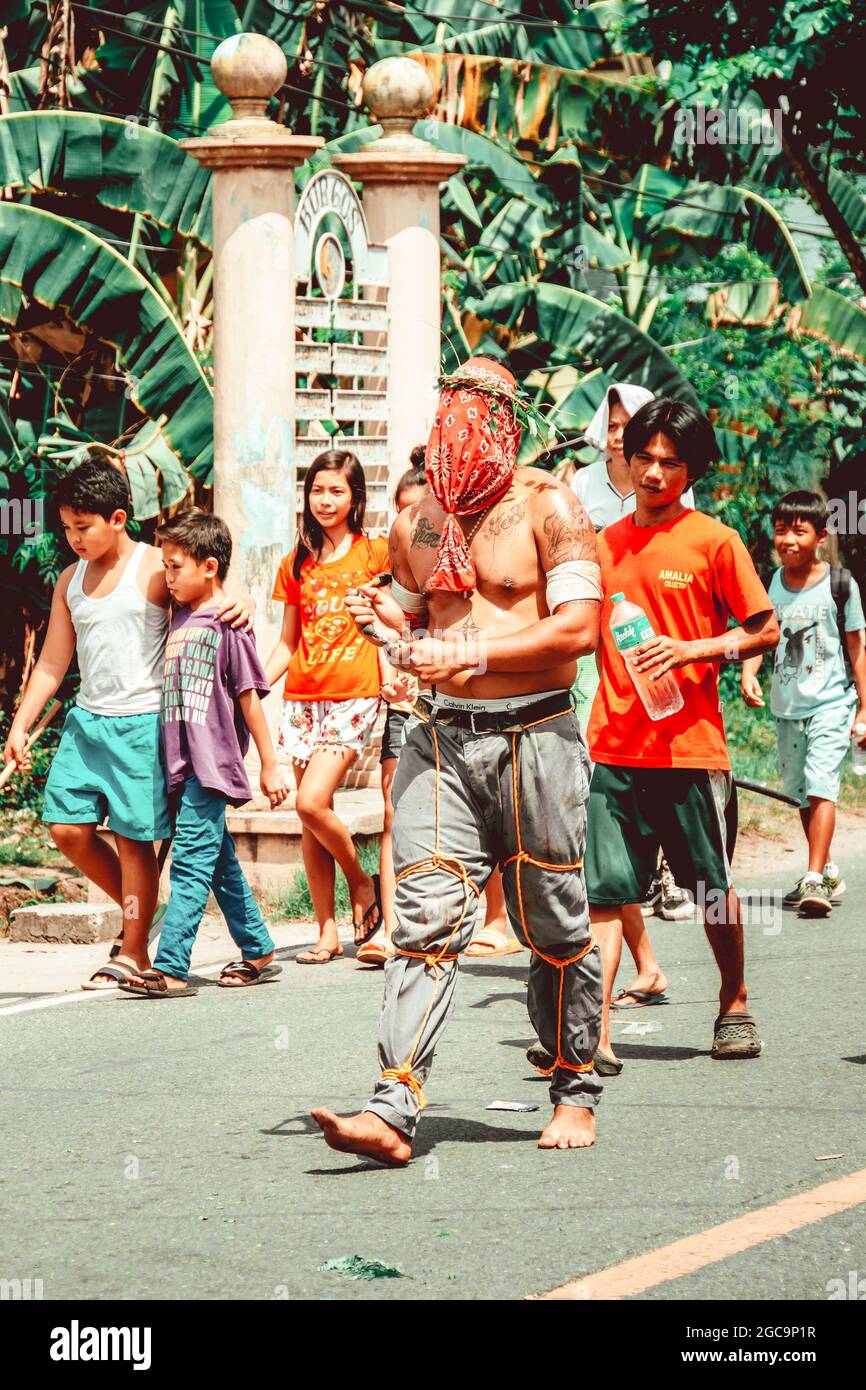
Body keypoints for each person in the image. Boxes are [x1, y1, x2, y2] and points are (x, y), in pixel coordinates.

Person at [310, 355, 604, 1164]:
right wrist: (392, 631)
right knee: (426, 920)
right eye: (451, 408)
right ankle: (392, 1107)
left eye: (481, 411)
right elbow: (410, 626)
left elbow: (576, 633)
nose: (462, 426)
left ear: (508, 424)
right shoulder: (417, 525)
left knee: (552, 920)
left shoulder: (552, 507)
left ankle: (575, 1087)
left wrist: (468, 655)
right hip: (439, 739)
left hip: (536, 737)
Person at [581, 398, 779, 1074]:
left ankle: (734, 1000)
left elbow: (764, 628)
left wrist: (692, 650)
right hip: (612, 746)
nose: (656, 472)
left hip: (690, 749)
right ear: (627, 459)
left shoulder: (714, 541)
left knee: (711, 890)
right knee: (606, 894)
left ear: (691, 470)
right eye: (645, 458)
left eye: (671, 462)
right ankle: (596, 1029)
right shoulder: (602, 544)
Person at [2, 459, 254, 991]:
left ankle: (134, 947)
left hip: (145, 723)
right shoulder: (71, 581)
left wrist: (242, 603)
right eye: (66, 527)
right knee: (67, 829)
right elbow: (53, 659)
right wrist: (20, 725)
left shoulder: (154, 569)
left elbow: (208, 597)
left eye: (83, 527)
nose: (74, 538)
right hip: (88, 724)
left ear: (118, 518)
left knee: (134, 839)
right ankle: (143, 910)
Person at [119, 513, 289, 997]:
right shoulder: (179, 614)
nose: (166, 576)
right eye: (165, 567)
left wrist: (270, 763)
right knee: (218, 862)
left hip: (211, 766)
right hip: (179, 765)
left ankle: (171, 966)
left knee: (190, 864)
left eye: (175, 567)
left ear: (210, 566)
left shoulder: (228, 625)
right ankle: (258, 947)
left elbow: (249, 698)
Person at [361, 458, 520, 969]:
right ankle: (402, 928)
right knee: (398, 813)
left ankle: (499, 920)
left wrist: (436, 652)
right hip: (424, 710)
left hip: (499, 713)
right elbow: (414, 633)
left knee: (502, 831)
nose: (419, 527)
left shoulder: (491, 548)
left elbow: (465, 645)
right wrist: (387, 629)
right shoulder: (411, 554)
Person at [572, 382, 695, 930]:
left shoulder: (673, 486)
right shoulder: (577, 484)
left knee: (659, 756)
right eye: (615, 424)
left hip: (654, 645)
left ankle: (666, 876)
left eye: (633, 424)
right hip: (595, 641)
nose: (621, 434)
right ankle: (609, 878)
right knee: (597, 757)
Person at [265, 449, 393, 965]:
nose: (325, 500)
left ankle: (362, 885)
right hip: (301, 698)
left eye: (337, 490)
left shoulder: (376, 554)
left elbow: (397, 620)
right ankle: (326, 932)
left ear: (356, 497)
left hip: (355, 694)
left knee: (310, 802)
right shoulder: (295, 561)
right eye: (317, 490)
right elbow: (288, 642)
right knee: (312, 822)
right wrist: (248, 686)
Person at [741, 491, 866, 917]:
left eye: (799, 531)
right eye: (781, 530)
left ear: (820, 535)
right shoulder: (771, 582)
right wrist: (747, 672)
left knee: (820, 783)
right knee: (798, 794)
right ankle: (826, 866)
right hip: (786, 707)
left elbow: (857, 650)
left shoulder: (840, 584)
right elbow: (761, 634)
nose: (788, 540)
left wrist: (864, 710)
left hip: (832, 702)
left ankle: (813, 877)